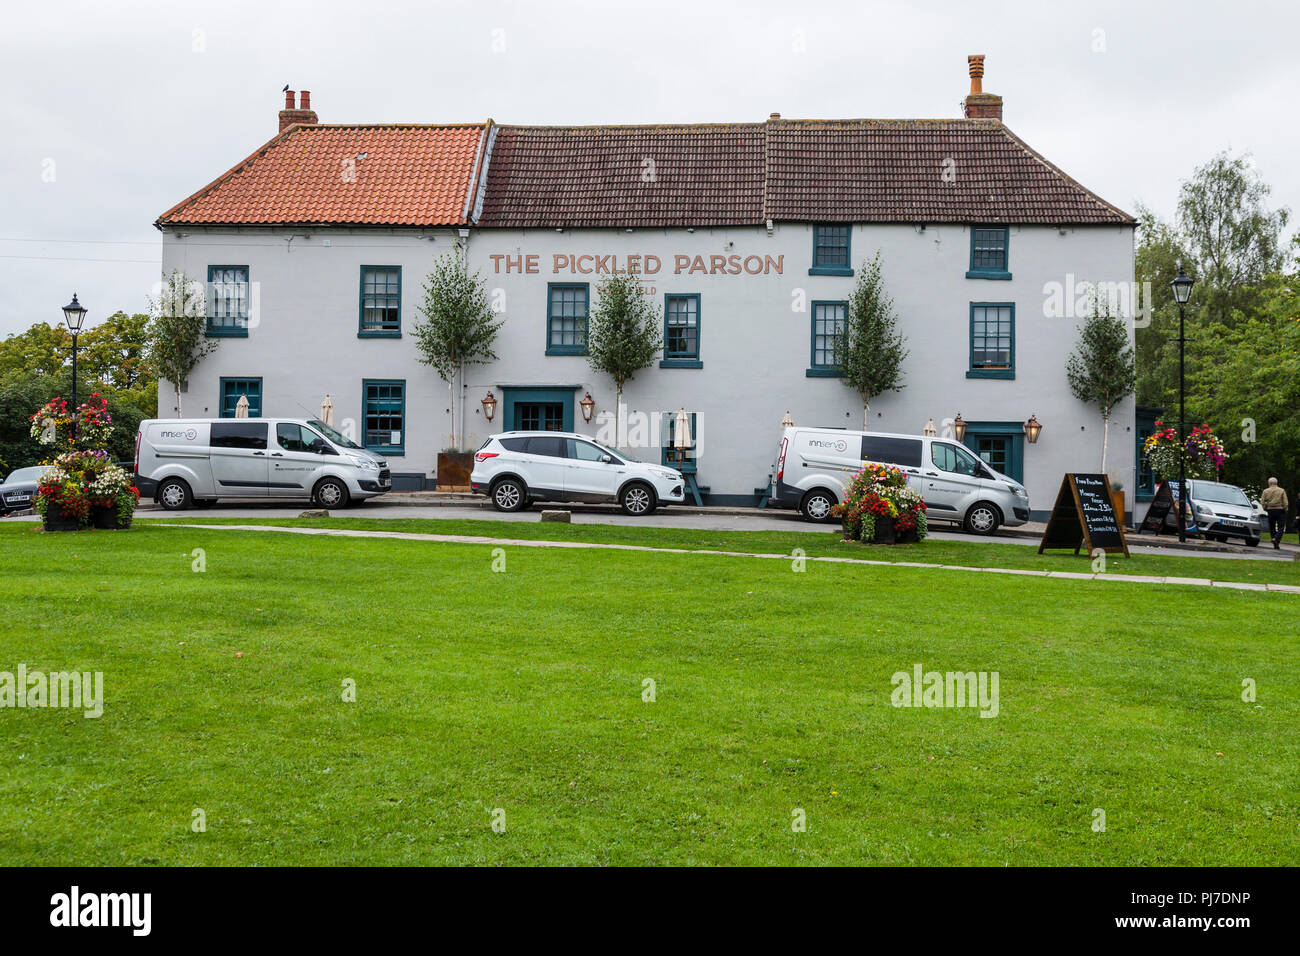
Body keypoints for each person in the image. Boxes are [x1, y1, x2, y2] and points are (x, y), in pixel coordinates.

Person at [1259, 477, 1289, 549]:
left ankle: (1275, 542)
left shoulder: (1265, 491)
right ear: (1276, 483)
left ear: (1269, 483)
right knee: (1281, 527)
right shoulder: (1282, 490)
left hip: (1270, 510)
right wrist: (1285, 509)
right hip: (1280, 510)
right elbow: (1285, 502)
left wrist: (1265, 508)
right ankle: (1276, 539)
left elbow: (1262, 501)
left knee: (1272, 527)